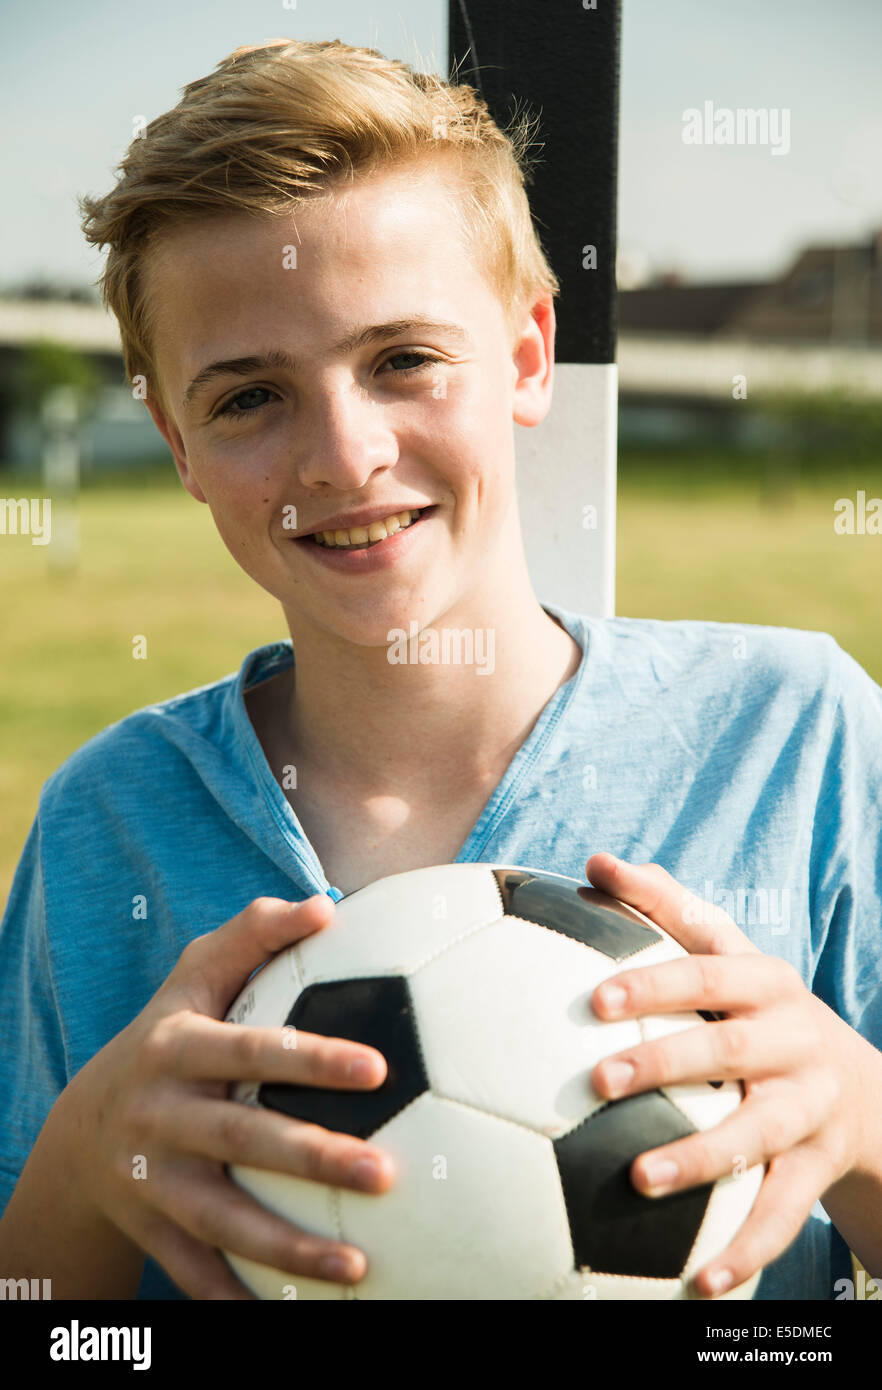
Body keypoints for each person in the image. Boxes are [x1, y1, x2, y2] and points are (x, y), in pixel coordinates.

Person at [1, 37, 880, 1302]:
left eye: (403, 360)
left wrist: (851, 1112)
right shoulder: (112, 821)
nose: (343, 457)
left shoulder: (796, 739)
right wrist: (91, 1156)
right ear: (178, 441)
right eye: (250, 396)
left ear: (527, 357)